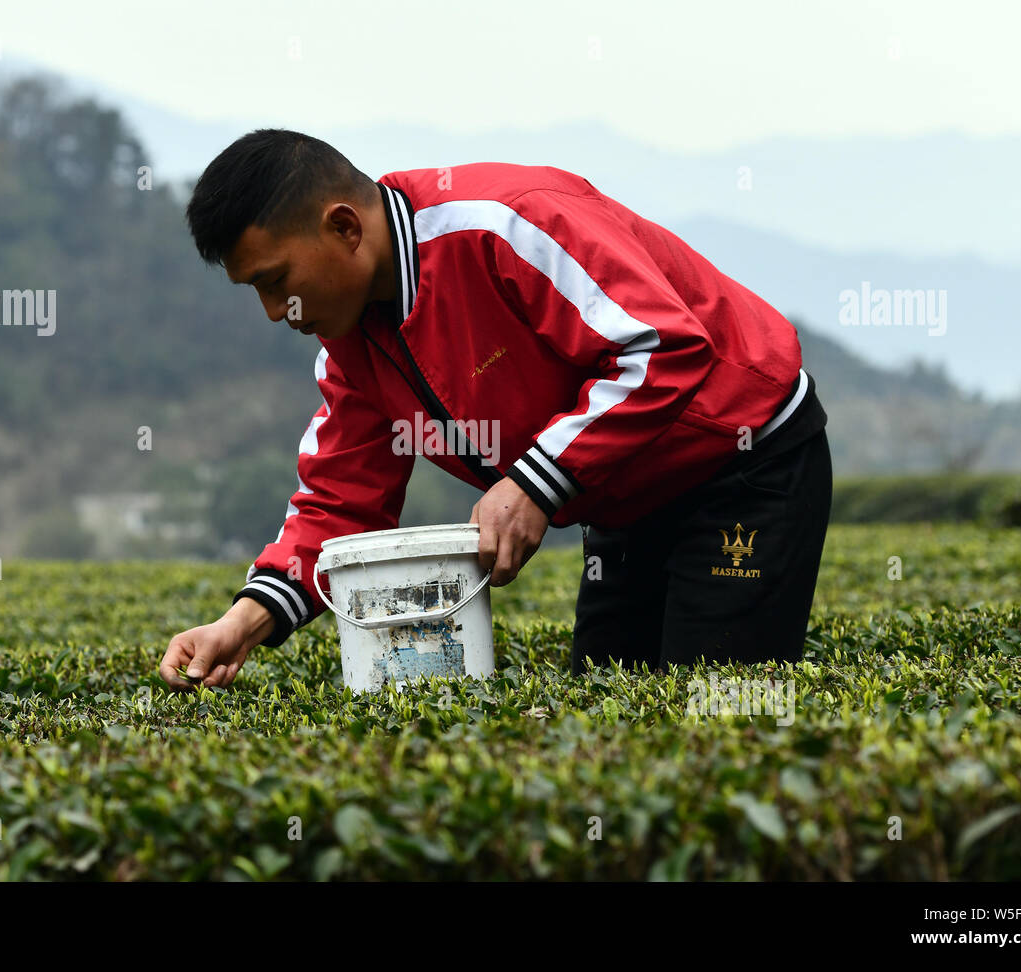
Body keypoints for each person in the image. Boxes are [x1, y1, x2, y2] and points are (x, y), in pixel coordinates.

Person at [159, 129, 830, 690]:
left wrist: (533, 484)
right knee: (613, 715)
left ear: (344, 227)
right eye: (257, 292)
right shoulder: (351, 343)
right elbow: (339, 502)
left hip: (743, 465)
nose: (276, 313)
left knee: (724, 714)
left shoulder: (504, 223)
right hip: (624, 499)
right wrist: (243, 620)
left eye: (277, 282)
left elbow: (664, 347)